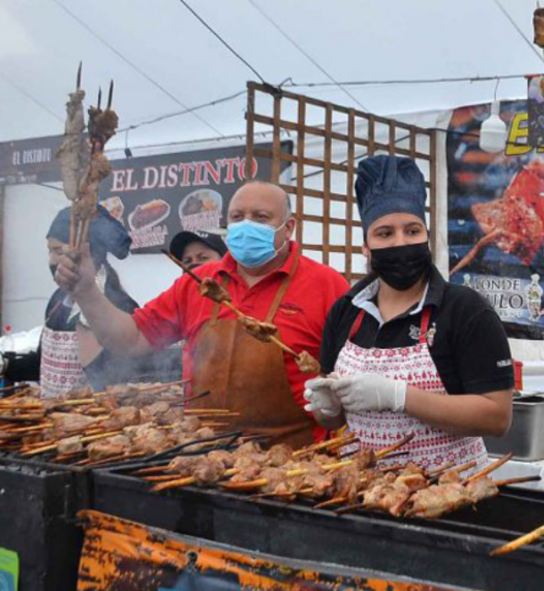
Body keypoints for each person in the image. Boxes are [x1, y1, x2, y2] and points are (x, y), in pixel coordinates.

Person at [53, 181, 350, 445]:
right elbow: (130, 341)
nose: (247, 224)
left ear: (288, 227)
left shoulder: (328, 285)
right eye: (237, 217)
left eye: (261, 217)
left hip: (295, 461)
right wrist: (87, 292)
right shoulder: (198, 282)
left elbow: (349, 378)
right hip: (202, 453)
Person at [305, 155, 513, 470]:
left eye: (412, 231)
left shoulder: (465, 310)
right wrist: (329, 408)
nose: (400, 242)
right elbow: (333, 422)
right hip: (363, 495)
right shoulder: (345, 312)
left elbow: (497, 417)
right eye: (385, 234)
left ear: (426, 237)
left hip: (448, 494)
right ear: (365, 246)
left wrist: (400, 396)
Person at [0, 205, 140, 395]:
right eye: (49, 251)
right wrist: (7, 366)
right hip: (51, 420)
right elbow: (45, 364)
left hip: (91, 421)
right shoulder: (58, 301)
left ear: (87, 255)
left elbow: (122, 381)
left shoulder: (121, 306)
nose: (51, 261)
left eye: (58, 251)